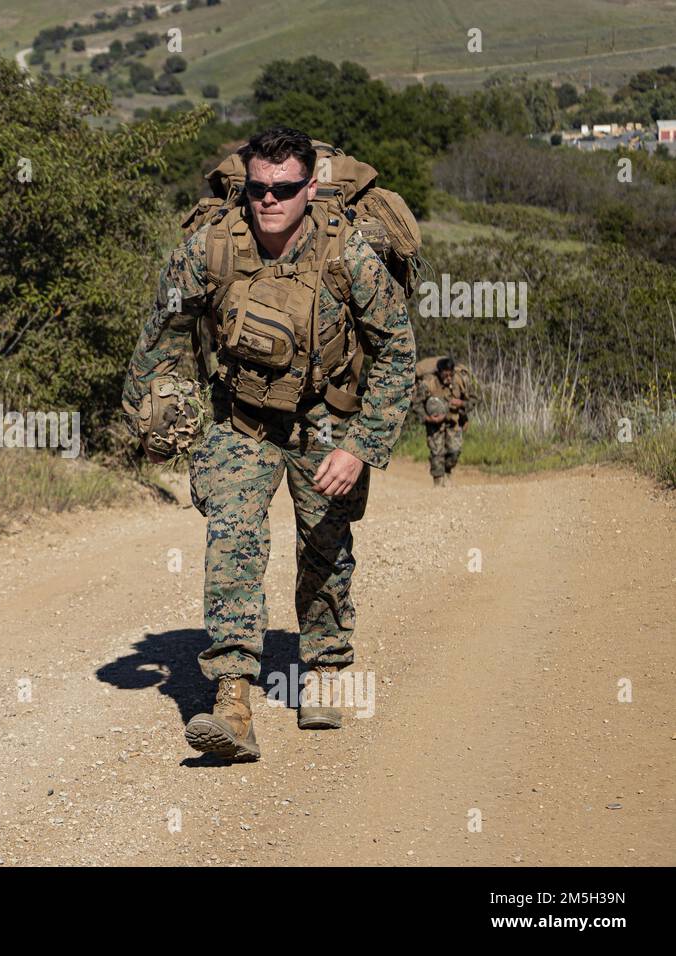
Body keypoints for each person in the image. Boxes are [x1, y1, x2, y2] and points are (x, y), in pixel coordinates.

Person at [121, 126, 416, 760]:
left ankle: (326, 668)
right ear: (246, 187)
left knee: (326, 544)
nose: (269, 201)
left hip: (326, 421)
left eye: (284, 189)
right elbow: (164, 328)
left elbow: (397, 347)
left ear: (310, 188)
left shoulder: (348, 253)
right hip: (240, 418)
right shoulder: (211, 249)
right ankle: (232, 698)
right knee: (233, 533)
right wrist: (160, 406)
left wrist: (361, 444)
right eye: (257, 189)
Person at [412, 356, 474, 487]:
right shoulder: (428, 383)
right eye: (445, 374)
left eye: (450, 374)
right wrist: (427, 418)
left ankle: (448, 471)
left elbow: (473, 400)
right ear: (439, 372)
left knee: (454, 451)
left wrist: (462, 403)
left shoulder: (460, 381)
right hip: (434, 424)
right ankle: (438, 482)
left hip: (454, 421)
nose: (448, 377)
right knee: (436, 453)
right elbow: (416, 404)